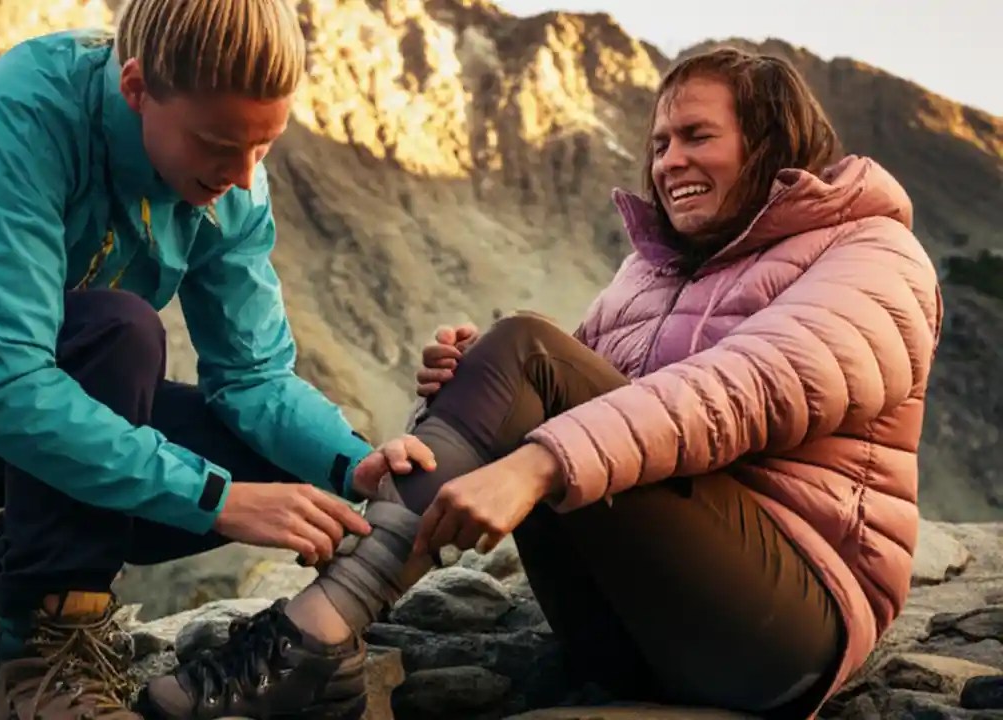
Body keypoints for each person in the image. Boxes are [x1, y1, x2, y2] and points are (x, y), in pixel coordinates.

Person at [136, 46, 943, 720]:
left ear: (772, 140)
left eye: (697, 136)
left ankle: (306, 641)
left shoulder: (870, 255)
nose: (670, 163)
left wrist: (537, 458)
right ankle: (319, 647)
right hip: (630, 634)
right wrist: (461, 390)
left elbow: (745, 390)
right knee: (513, 352)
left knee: (530, 351)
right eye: (659, 144)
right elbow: (576, 405)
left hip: (783, 632)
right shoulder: (649, 274)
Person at [0, 0, 433, 717]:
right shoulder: (13, 119)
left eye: (264, 146)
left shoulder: (237, 177)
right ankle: (42, 662)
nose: (241, 174)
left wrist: (352, 466)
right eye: (215, 144)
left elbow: (254, 378)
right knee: (121, 335)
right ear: (135, 88)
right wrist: (215, 499)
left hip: (47, 376)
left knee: (286, 478)